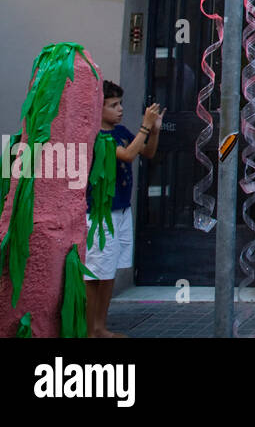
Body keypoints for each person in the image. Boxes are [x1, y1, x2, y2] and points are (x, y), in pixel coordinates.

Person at [85, 80, 162, 338]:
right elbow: (128, 155)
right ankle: (90, 329)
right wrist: (144, 126)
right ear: (99, 108)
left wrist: (155, 130)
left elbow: (146, 152)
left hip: (121, 210)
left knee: (108, 273)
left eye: (120, 104)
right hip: (100, 214)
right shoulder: (98, 136)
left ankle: (100, 326)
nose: (119, 110)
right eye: (113, 105)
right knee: (95, 273)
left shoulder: (121, 131)